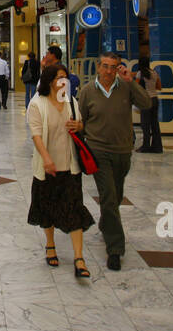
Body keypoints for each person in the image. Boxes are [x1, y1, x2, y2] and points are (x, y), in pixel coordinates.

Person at [78, 53, 152, 271]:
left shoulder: (125, 88)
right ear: (98, 67)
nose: (109, 71)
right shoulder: (87, 91)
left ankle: (105, 223)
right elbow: (81, 121)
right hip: (98, 150)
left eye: (114, 67)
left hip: (122, 151)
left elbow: (146, 103)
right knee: (109, 197)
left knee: (116, 194)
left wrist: (132, 82)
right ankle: (115, 249)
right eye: (106, 67)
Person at [27, 64, 95, 278]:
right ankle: (50, 244)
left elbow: (80, 124)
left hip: (70, 165)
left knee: (74, 209)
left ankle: (79, 258)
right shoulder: (37, 104)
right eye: (59, 78)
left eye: (65, 78)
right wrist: (46, 159)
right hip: (47, 168)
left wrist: (79, 127)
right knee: (46, 209)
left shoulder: (71, 102)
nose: (63, 81)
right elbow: (36, 135)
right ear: (49, 81)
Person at [135, 59, 162, 153]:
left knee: (145, 124)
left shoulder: (140, 73)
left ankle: (145, 147)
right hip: (155, 99)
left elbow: (136, 87)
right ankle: (157, 147)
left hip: (145, 100)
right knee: (155, 124)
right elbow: (159, 87)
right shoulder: (154, 73)